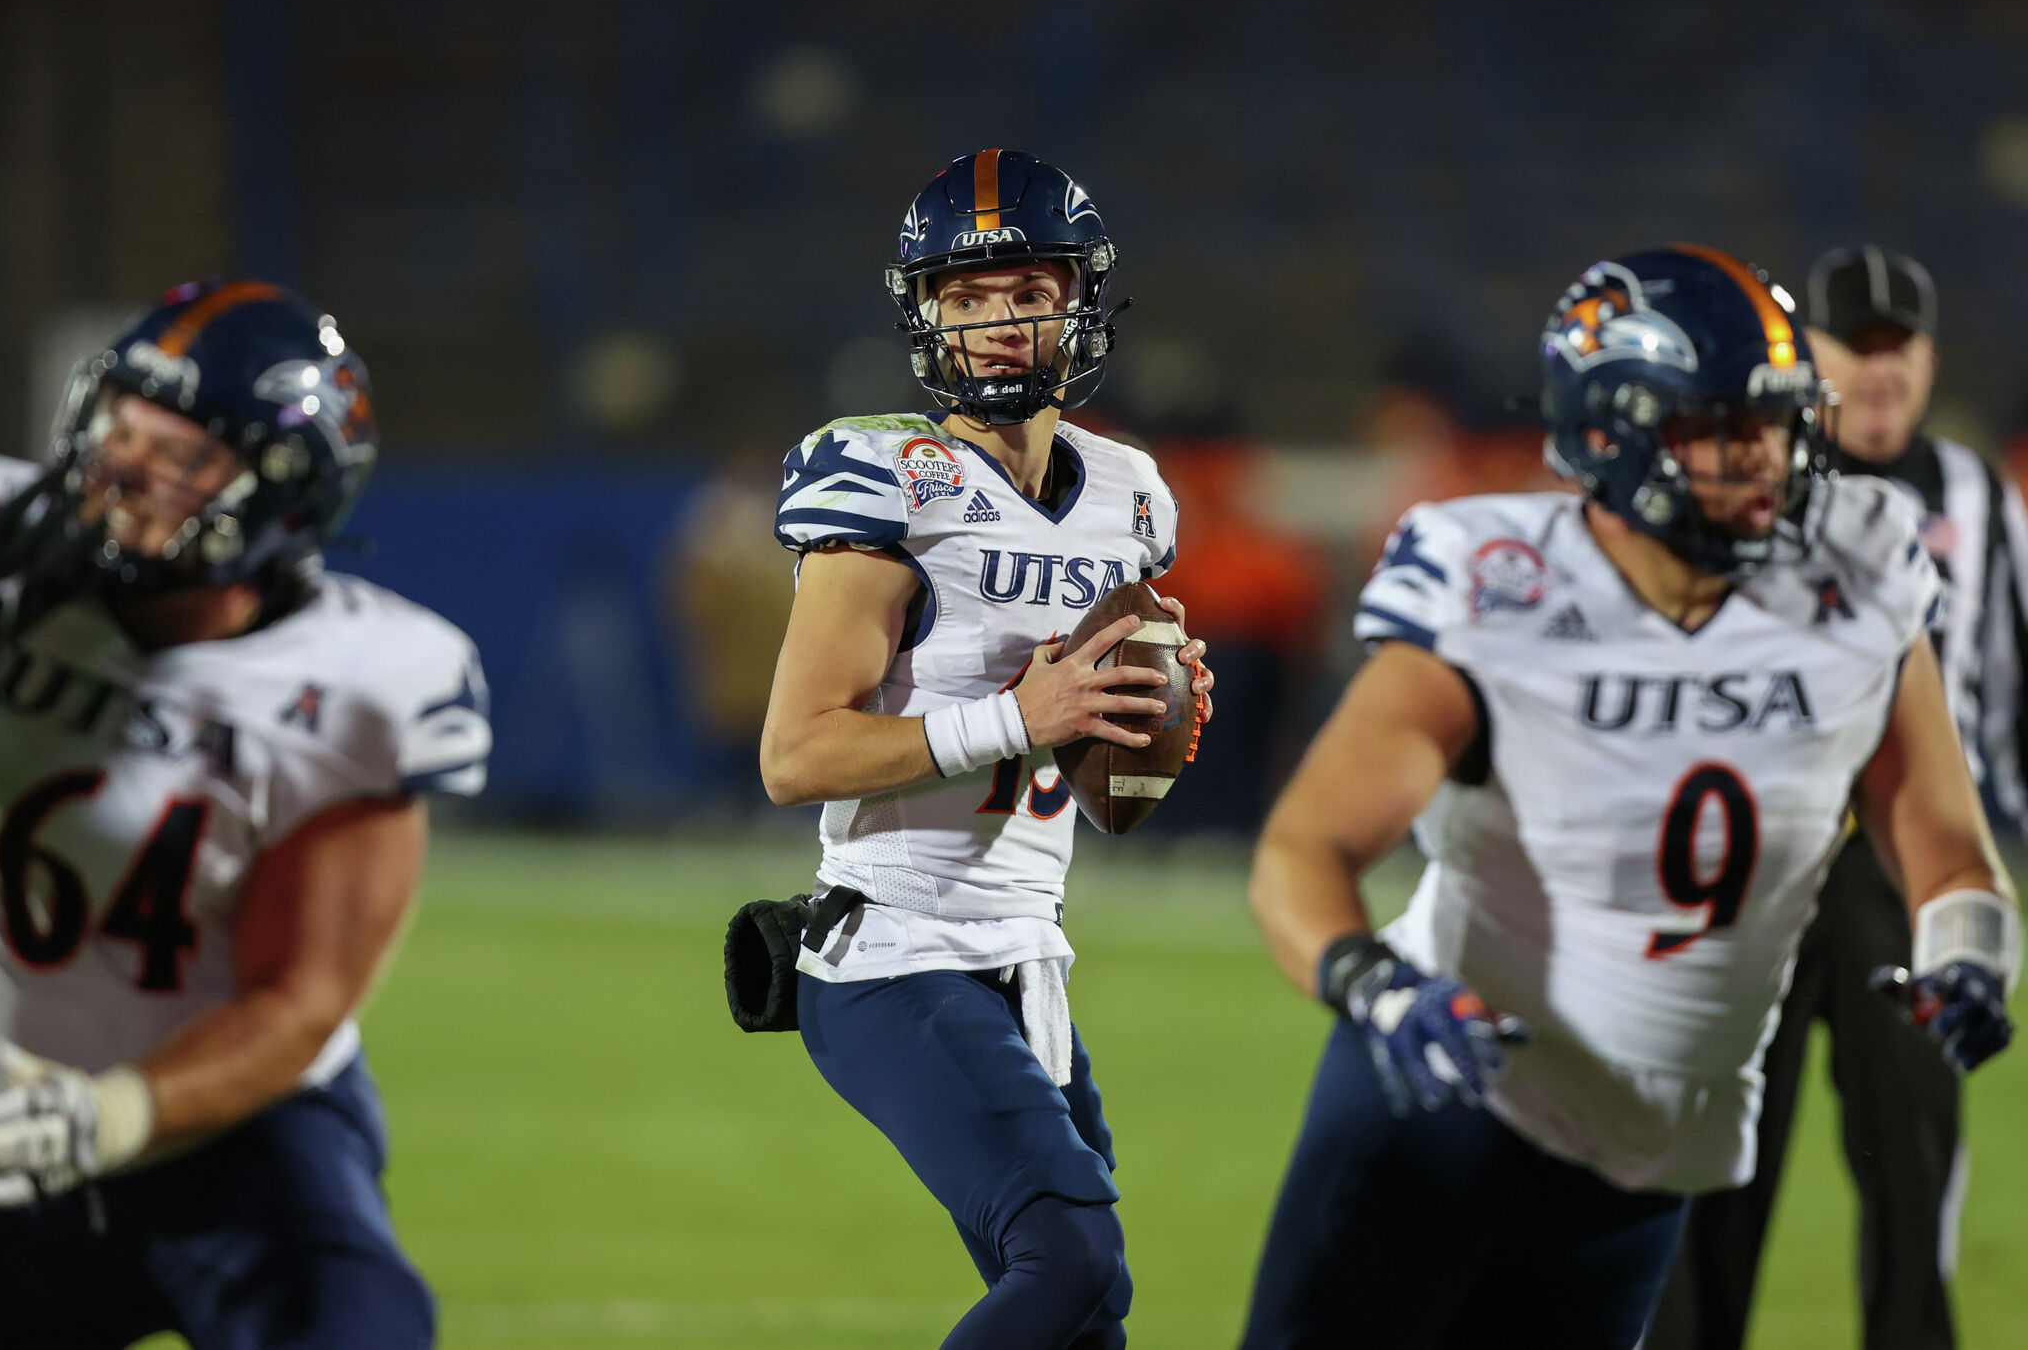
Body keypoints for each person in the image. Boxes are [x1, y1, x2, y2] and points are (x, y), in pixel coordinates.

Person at [1238, 245, 2017, 1349]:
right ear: (1613, 429)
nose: (1766, 457)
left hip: (1653, 1153)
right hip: (1452, 1103)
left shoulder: (1859, 570)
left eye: (1777, 421)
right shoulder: (1494, 580)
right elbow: (1302, 848)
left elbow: (1940, 840)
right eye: (1722, 427)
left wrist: (1969, 949)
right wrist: (1373, 986)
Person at [758, 149, 1212, 1350]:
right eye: (965, 298)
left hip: (1024, 949)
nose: (999, 323)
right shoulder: (884, 477)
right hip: (892, 951)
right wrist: (1026, 716)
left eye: (1024, 291)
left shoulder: (1130, 494)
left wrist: (1147, 710)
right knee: (1067, 1255)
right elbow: (795, 754)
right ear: (926, 315)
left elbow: (1093, 760)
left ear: (1080, 301)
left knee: (1085, 1315)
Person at [0, 280, 490, 1349]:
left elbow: (302, 996)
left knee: (360, 1330)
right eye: (119, 427)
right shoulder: (1, 552)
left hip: (232, 1132)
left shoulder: (364, 681)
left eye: (180, 456)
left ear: (283, 491)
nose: (125, 470)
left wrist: (108, 1115)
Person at [1649, 245, 2028, 1349]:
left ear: (1925, 357)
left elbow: (2005, 692)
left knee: (1914, 1161)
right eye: (1852, 347)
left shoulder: (1979, 500)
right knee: (1719, 1163)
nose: (1877, 371)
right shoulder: (1746, 474)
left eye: (1895, 346)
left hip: (1899, 859)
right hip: (1756, 850)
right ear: (1805, 358)